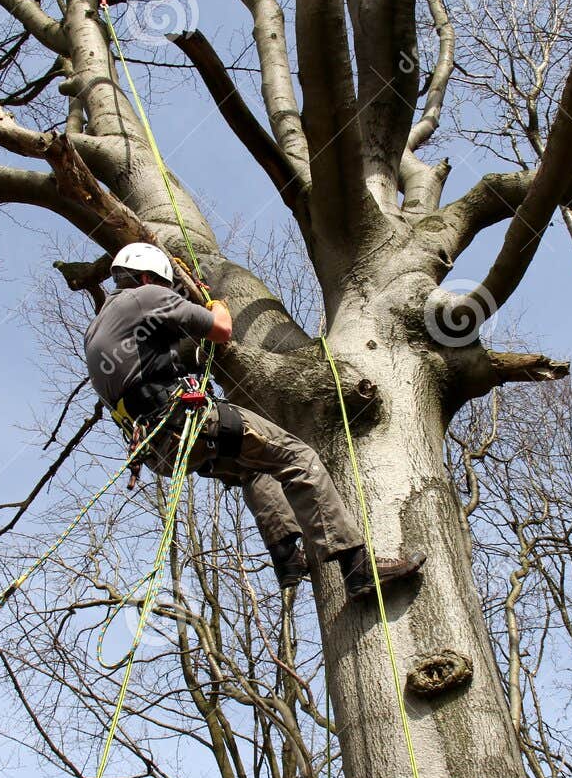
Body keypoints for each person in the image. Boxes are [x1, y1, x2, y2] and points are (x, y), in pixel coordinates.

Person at [84, 242, 425, 596]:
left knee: (255, 464)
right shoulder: (146, 296)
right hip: (185, 423)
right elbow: (221, 329)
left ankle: (286, 556)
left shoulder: (98, 328)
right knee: (298, 457)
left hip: (159, 450)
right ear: (146, 277)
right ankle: (356, 566)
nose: (168, 295)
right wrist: (216, 304)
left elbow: (147, 367)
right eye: (164, 287)